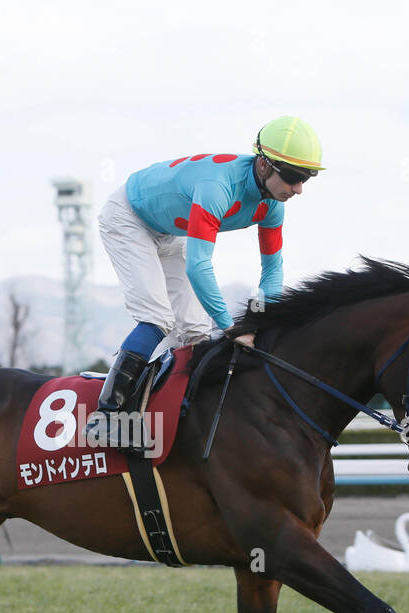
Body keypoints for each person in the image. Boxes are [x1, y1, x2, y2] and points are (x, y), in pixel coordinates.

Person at [87, 115, 323, 450]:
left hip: (170, 229)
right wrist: (231, 327)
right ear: (264, 165)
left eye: (307, 179)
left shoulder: (273, 205)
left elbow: (271, 271)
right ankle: (107, 417)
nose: (298, 189)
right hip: (129, 217)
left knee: (195, 332)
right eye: (294, 177)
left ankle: (183, 418)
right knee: (158, 318)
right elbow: (200, 266)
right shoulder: (218, 187)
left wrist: (259, 318)